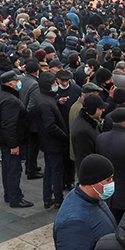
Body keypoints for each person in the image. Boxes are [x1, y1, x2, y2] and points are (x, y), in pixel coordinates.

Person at [0, 70, 32, 209]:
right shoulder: (10, 100)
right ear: (10, 84)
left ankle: (9, 194)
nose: (19, 83)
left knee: (7, 168)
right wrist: (14, 145)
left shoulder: (1, 94)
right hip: (11, 141)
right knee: (14, 169)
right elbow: (9, 125)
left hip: (3, 139)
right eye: (16, 81)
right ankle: (15, 198)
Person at [31, 72, 70, 209]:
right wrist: (64, 135)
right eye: (54, 83)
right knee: (56, 172)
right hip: (53, 143)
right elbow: (50, 126)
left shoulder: (42, 98)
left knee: (49, 170)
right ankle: (58, 199)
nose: (56, 85)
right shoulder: (45, 103)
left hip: (46, 142)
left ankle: (47, 198)